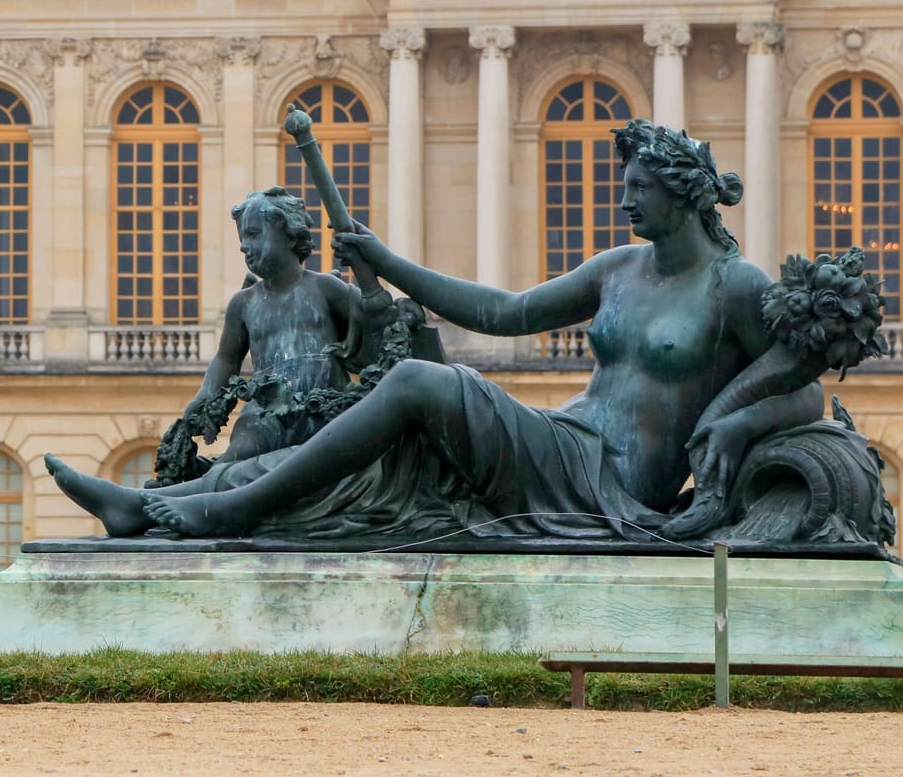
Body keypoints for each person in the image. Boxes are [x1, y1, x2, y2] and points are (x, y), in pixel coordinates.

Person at [47, 120, 823, 543]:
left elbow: (803, 388)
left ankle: (226, 513)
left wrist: (738, 420)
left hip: (609, 487)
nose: (625, 204)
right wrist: (389, 262)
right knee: (372, 468)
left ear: (683, 196)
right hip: (566, 443)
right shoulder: (620, 268)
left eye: (638, 191)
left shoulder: (736, 286)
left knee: (417, 382)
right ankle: (160, 504)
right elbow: (503, 312)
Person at [47, 186, 367, 532]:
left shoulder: (325, 289)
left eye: (254, 235)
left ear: (290, 235)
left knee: (246, 468)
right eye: (242, 239)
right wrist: (200, 402)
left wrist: (368, 294)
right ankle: (162, 505)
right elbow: (226, 362)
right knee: (233, 460)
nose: (245, 246)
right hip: (267, 410)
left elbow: (369, 343)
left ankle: (139, 506)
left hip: (323, 408)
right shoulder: (244, 303)